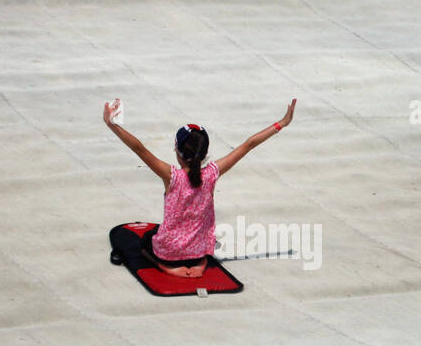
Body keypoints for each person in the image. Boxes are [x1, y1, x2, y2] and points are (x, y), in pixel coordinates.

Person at [103, 98, 296, 277]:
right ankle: (200, 264)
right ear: (204, 154)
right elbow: (248, 145)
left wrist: (111, 124)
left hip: (169, 254)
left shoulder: (171, 176)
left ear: (177, 151)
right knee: (196, 244)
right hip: (198, 252)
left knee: (146, 240)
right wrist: (282, 123)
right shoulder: (212, 173)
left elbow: (139, 148)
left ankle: (169, 267)